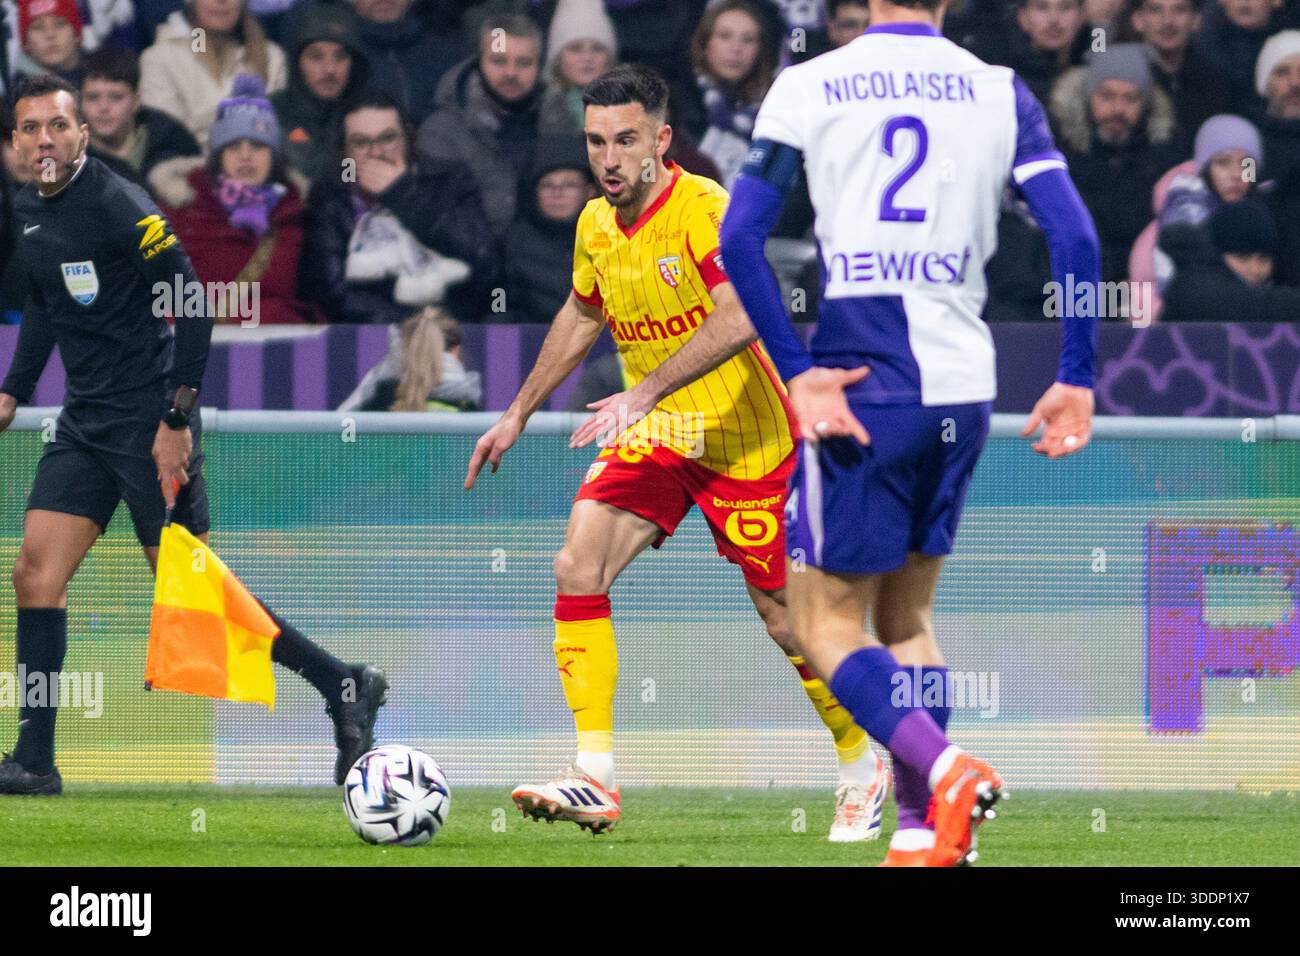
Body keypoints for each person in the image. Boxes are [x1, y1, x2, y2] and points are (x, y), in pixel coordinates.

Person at [465, 64, 889, 844]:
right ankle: (595, 775)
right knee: (575, 566)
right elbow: (581, 313)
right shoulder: (595, 222)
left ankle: (862, 762)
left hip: (749, 438)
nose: (609, 158)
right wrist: (518, 410)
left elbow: (741, 315)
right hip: (662, 435)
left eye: (625, 139)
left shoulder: (706, 211)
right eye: (596, 141)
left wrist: (646, 390)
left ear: (661, 140)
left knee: (789, 624)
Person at [721, 0, 1099, 865]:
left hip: (864, 382)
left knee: (823, 622)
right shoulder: (1001, 90)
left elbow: (738, 237)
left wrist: (798, 370)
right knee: (907, 616)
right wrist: (1076, 375)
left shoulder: (810, 82)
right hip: (965, 386)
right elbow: (1075, 236)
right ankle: (929, 831)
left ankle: (948, 767)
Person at [0, 75, 386, 796]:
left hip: (149, 419)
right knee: (34, 575)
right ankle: (34, 759)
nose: (44, 141)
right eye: (29, 129)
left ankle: (343, 684)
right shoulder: (27, 203)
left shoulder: (119, 204)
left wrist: (176, 419)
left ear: (84, 133)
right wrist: (14, 389)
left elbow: (195, 304)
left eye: (57, 126)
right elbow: (46, 299)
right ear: (16, 141)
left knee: (196, 598)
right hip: (85, 422)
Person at [301, 89, 495, 324]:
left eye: (387, 138)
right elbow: (329, 291)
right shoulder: (331, 194)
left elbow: (484, 265)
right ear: (345, 153)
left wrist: (403, 194)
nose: (376, 152)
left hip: (450, 330)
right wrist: (409, 326)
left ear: (408, 138)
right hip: (368, 335)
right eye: (361, 142)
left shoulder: (450, 179)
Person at [154, 74, 315, 323]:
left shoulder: (295, 214)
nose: (245, 156)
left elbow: (301, 301)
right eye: (233, 147)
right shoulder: (181, 210)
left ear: (275, 156)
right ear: (218, 157)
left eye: (258, 146)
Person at [415, 12, 579, 238]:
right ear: (478, 62)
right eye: (499, 61)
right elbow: (440, 222)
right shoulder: (442, 132)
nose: (511, 73)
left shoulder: (561, 124)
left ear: (539, 67)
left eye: (524, 63)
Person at [1050, 43, 1184, 283]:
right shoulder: (1059, 157)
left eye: (1130, 98)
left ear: (1146, 104)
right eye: (1107, 96)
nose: (1117, 109)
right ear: (1087, 97)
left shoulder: (1165, 160)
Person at [139, 0, 288, 150]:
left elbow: (281, 131)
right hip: (192, 168)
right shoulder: (160, 59)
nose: (221, 1)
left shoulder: (272, 57)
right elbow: (169, 138)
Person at [680, 0, 780, 188]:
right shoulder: (678, 102)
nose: (736, 48)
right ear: (705, 44)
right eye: (725, 36)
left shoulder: (776, 109)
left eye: (748, 39)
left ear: (760, 50)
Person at [270, 1, 371, 185]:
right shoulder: (273, 114)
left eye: (340, 57)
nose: (330, 69)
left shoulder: (371, 114)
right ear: (296, 63)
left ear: (354, 63)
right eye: (316, 57)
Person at [497, 135, 596, 323]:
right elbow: (499, 305)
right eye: (547, 185)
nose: (557, 193)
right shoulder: (513, 245)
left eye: (569, 184)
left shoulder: (614, 239)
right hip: (534, 344)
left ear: (589, 192)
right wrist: (505, 349)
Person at [81, 46, 202, 194]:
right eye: (93, 97)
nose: (103, 107)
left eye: (116, 97)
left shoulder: (172, 139)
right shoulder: (69, 159)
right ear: (81, 103)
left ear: (136, 101)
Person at [1160, 198, 1300, 319]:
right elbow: (1248, 305)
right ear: (1216, 253)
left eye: (1263, 259)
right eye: (1242, 258)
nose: (1255, 269)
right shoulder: (1195, 283)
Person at [1130, 0, 1231, 154]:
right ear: (1137, 20)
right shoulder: (1122, 82)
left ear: (1196, 20)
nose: (1168, 21)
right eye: (1156, 10)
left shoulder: (1218, 83)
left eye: (1179, 10)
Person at [340, 307, 483, 412]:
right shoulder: (467, 404)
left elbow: (341, 431)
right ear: (456, 350)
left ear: (408, 347)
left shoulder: (381, 393)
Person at [544, 0, 618, 127]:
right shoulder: (536, 112)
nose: (587, 58)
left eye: (597, 48)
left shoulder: (634, 110)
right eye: (575, 48)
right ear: (557, 59)